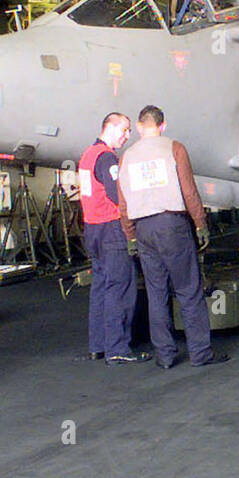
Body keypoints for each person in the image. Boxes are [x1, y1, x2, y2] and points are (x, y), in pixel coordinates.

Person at [118, 105, 228, 368]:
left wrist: (130, 236)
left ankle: (165, 356)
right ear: (163, 125)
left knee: (156, 293)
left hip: (143, 229)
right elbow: (189, 191)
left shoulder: (127, 156)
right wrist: (200, 223)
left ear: (138, 126)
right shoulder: (173, 148)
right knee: (189, 290)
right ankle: (200, 353)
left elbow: (122, 202)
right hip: (172, 226)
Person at [78, 112, 145, 365]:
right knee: (121, 288)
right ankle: (118, 348)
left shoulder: (87, 154)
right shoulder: (107, 158)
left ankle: (99, 345)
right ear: (112, 127)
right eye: (125, 130)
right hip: (111, 230)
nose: (127, 136)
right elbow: (117, 195)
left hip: (92, 229)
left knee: (101, 288)